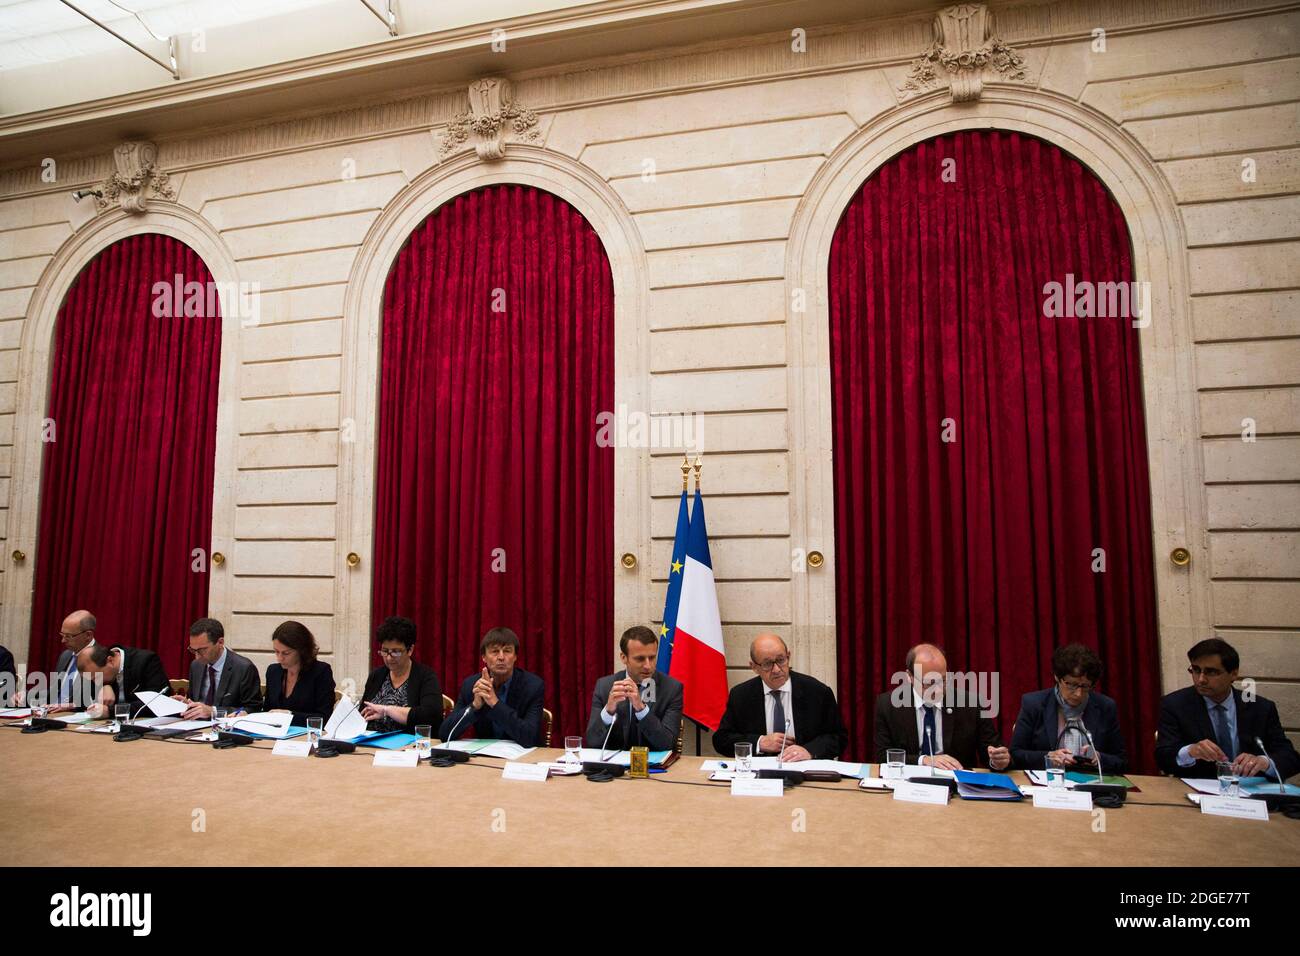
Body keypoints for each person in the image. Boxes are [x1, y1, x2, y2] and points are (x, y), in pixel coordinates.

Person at [1156, 637, 1299, 781]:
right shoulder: (1175, 705)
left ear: (1233, 674)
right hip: (1200, 792)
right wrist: (1190, 752)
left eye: (1211, 672)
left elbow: (1290, 757)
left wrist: (1264, 762)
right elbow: (1163, 759)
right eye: (1196, 670)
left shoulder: (1260, 708)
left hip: (1251, 792)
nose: (1201, 679)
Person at [873, 643, 1010, 770]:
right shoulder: (888, 705)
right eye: (929, 683)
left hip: (957, 786)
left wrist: (998, 761)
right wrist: (924, 760)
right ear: (910, 676)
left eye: (943, 680)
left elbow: (991, 751)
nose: (937, 689)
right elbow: (882, 756)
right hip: (907, 785)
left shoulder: (971, 704)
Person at [712, 633, 847, 761]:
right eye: (767, 664)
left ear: (788, 656)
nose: (776, 669)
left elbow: (838, 738)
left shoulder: (817, 692)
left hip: (805, 771)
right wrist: (760, 742)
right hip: (758, 776)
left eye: (781, 660)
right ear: (753, 667)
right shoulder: (741, 695)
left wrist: (809, 751)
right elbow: (721, 740)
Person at [1011, 643, 1128, 773]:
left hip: (1091, 784)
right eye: (1072, 685)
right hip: (1049, 783)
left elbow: (1121, 761)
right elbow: (1016, 754)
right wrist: (1048, 757)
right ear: (1057, 677)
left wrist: (1100, 758)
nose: (1078, 694)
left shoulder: (1105, 707)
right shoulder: (1034, 704)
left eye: (1085, 686)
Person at [438, 627, 544, 746]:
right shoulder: (472, 685)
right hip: (485, 758)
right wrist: (475, 706)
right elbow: (444, 734)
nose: (501, 657)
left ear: (515, 657)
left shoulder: (532, 686)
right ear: (484, 657)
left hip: (523, 759)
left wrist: (495, 703)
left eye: (507, 651)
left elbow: (530, 737)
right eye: (494, 651)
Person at [585, 625, 684, 751]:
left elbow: (666, 744)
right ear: (623, 658)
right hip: (614, 767)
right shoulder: (604, 686)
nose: (648, 666)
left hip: (654, 768)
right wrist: (608, 711)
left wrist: (641, 708)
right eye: (640, 659)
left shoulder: (672, 689)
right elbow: (592, 741)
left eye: (652, 657)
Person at [360, 616, 443, 732]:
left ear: (410, 650)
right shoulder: (377, 675)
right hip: (371, 744)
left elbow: (431, 716)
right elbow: (363, 712)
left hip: (408, 746)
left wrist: (386, 710)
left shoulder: (426, 676)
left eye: (395, 652)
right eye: (385, 651)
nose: (389, 658)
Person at [172, 618, 262, 718]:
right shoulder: (196, 665)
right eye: (193, 650)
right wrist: (186, 704)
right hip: (195, 727)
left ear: (220, 642)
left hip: (225, 728)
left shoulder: (244, 668)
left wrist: (213, 711)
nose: (197, 656)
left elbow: (253, 709)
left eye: (202, 650)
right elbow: (195, 701)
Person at [262, 621, 335, 726]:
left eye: (286, 653)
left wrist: (290, 716)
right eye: (276, 651)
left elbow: (324, 718)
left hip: (305, 737)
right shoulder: (273, 671)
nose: (279, 658)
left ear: (302, 650)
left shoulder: (321, 672)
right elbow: (267, 711)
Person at [75, 643, 171, 719]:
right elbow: (87, 701)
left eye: (96, 678)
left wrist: (111, 711)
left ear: (110, 661)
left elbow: (157, 701)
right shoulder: (96, 669)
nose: (95, 683)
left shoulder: (146, 661)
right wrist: (105, 685)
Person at [52, 609, 97, 706]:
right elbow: (54, 693)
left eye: (68, 636)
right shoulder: (65, 656)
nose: (63, 641)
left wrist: (70, 706)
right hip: (52, 713)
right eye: (62, 635)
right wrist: (25, 696)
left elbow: (98, 700)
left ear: (88, 635)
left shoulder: (101, 659)